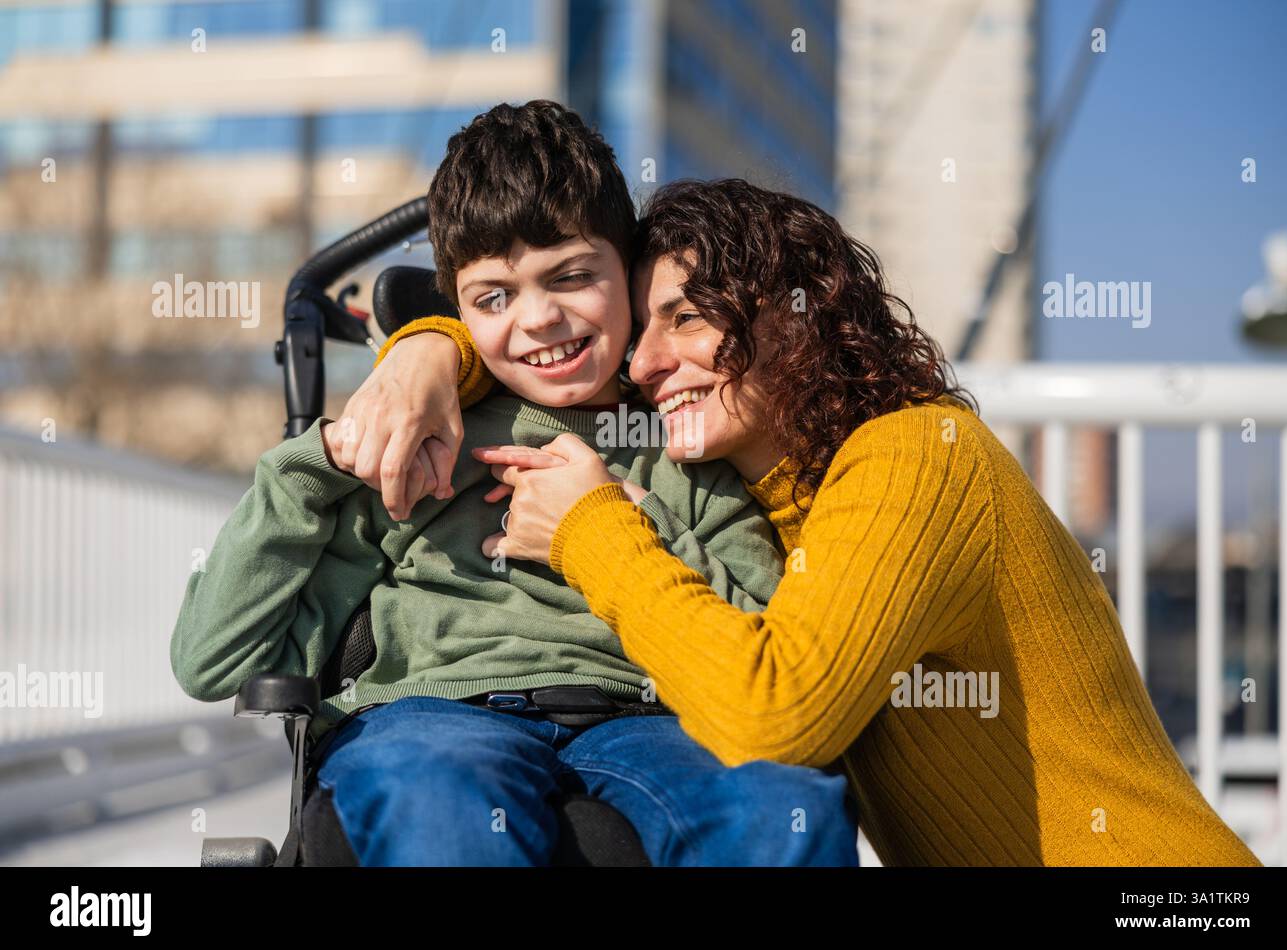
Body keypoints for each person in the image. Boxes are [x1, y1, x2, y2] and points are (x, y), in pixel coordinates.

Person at [351, 177, 1262, 866]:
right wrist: (427, 352)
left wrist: (594, 529)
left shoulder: (917, 456)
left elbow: (772, 716)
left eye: (686, 317)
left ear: (796, 314)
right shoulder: (773, 507)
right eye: (642, 330)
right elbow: (547, 341)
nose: (648, 360)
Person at [170, 107, 859, 867]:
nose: (538, 318)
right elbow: (213, 661)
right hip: (434, 709)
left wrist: (637, 528)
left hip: (650, 715)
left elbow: (759, 636)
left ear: (627, 273)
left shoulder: (685, 440)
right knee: (434, 799)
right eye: (493, 297)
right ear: (456, 308)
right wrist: (316, 462)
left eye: (571, 276)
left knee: (778, 809)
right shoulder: (427, 440)